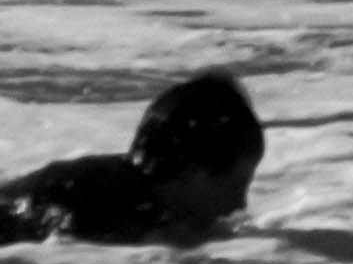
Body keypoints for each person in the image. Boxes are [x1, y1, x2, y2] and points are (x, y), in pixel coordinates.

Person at [0, 72, 265, 245]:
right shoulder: (114, 207)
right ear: (190, 173)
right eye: (234, 186)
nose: (240, 204)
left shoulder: (142, 192)